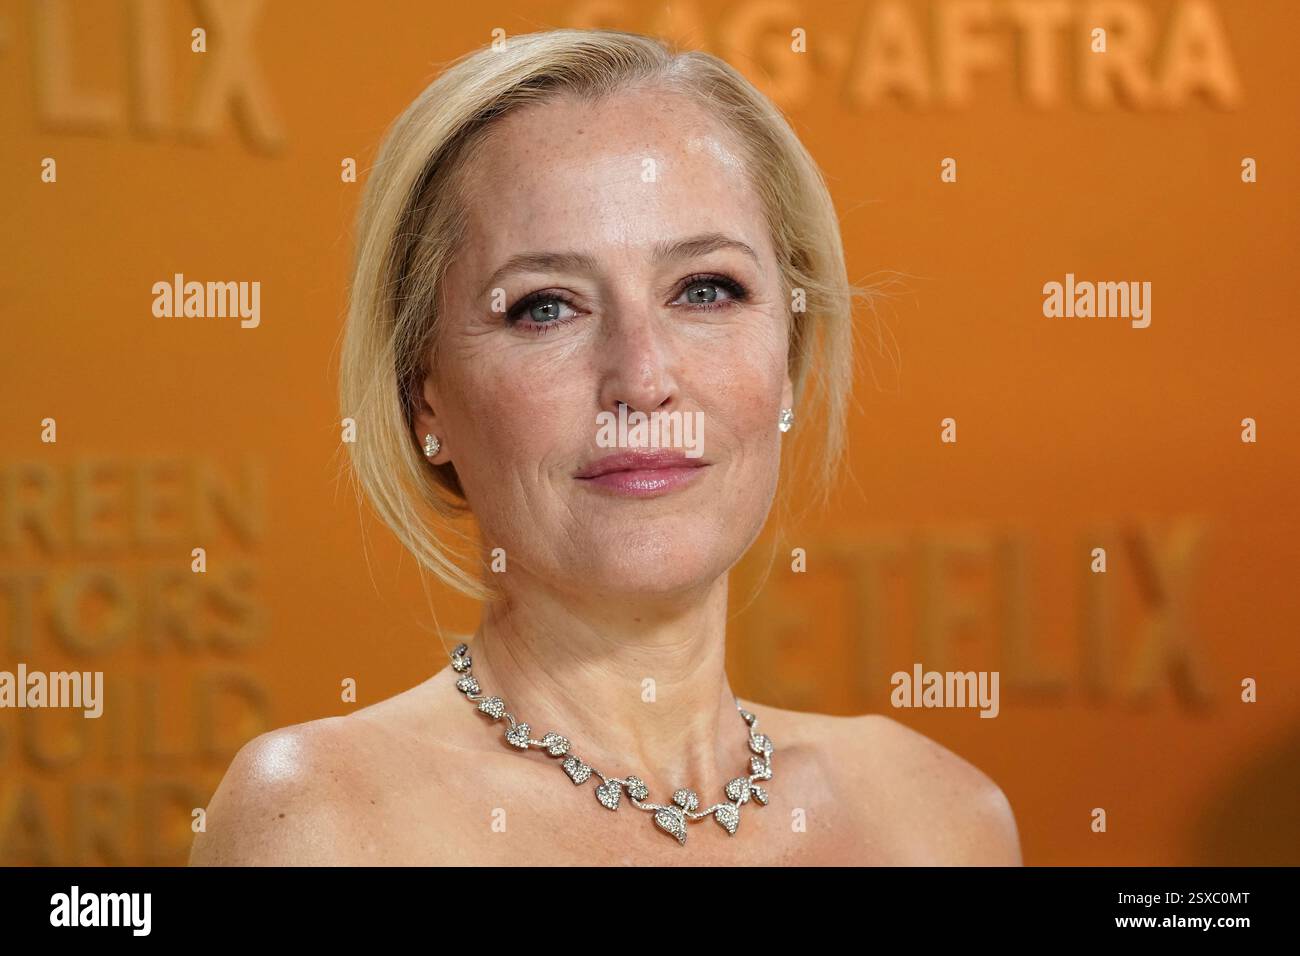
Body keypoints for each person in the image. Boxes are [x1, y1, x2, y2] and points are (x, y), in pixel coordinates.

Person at [189, 27, 1021, 866]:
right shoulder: (322, 821)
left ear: (790, 365)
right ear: (422, 397)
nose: (643, 375)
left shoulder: (939, 817)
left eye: (705, 290)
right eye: (546, 306)